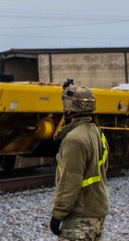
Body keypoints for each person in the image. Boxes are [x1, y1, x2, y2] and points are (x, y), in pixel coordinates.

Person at [50, 80, 109, 240]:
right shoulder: (96, 133)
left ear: (69, 110)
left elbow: (70, 180)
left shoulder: (74, 140)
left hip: (80, 217)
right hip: (96, 212)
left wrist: (58, 215)